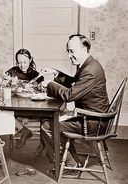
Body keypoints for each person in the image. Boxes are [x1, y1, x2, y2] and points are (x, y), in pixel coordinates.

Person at [40, 34, 109, 171]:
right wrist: (56, 73)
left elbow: (69, 95)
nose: (69, 55)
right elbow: (75, 83)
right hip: (93, 115)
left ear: (84, 49)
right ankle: (70, 159)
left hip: (92, 121)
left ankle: (70, 164)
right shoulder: (89, 64)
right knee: (53, 118)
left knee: (47, 126)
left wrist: (49, 84)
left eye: (72, 51)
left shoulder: (90, 71)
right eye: (68, 51)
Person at [5, 48, 44, 149]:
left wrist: (37, 87)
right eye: (19, 62)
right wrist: (11, 83)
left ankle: (25, 132)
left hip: (31, 105)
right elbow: (4, 86)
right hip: (15, 103)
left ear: (30, 60)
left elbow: (41, 91)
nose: (22, 65)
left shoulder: (36, 75)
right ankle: (24, 131)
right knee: (6, 113)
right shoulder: (13, 72)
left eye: (25, 62)